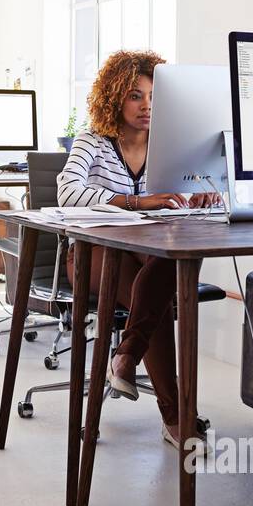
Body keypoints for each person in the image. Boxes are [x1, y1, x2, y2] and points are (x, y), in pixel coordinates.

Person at [56, 50, 220, 454]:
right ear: (114, 97)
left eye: (153, 97)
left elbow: (196, 192)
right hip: (93, 254)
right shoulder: (92, 142)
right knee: (155, 300)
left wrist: (203, 194)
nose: (146, 105)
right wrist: (137, 203)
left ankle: (127, 354)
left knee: (169, 264)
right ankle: (175, 417)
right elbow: (68, 191)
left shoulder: (170, 145)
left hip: (150, 253)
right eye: (135, 95)